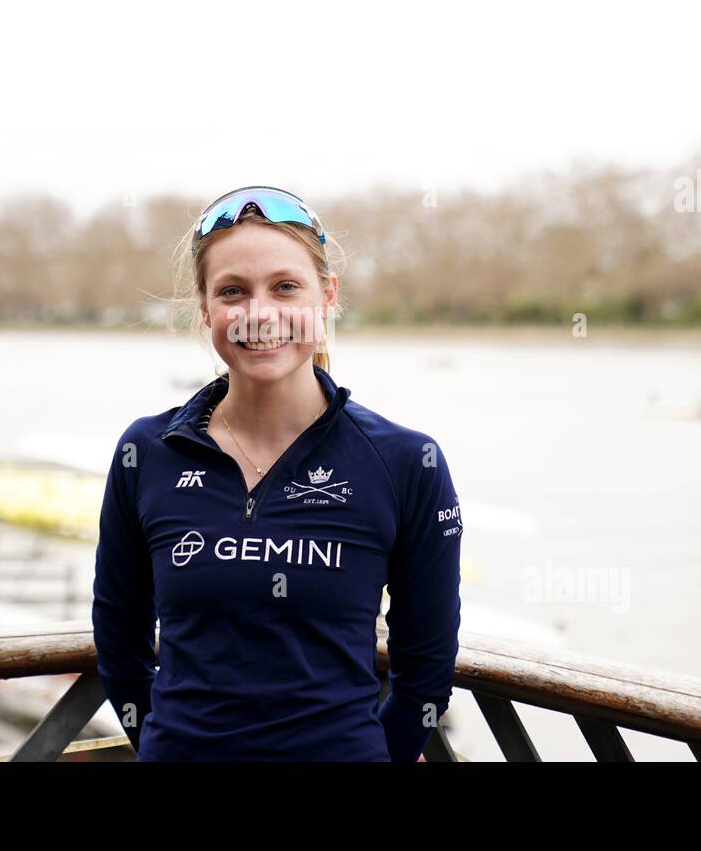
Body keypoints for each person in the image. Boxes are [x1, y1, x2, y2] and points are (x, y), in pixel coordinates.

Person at [91, 186, 463, 762]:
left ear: (328, 297)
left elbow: (426, 673)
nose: (260, 315)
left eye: (285, 287)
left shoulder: (407, 462)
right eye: (233, 292)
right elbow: (119, 639)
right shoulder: (147, 451)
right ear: (205, 309)